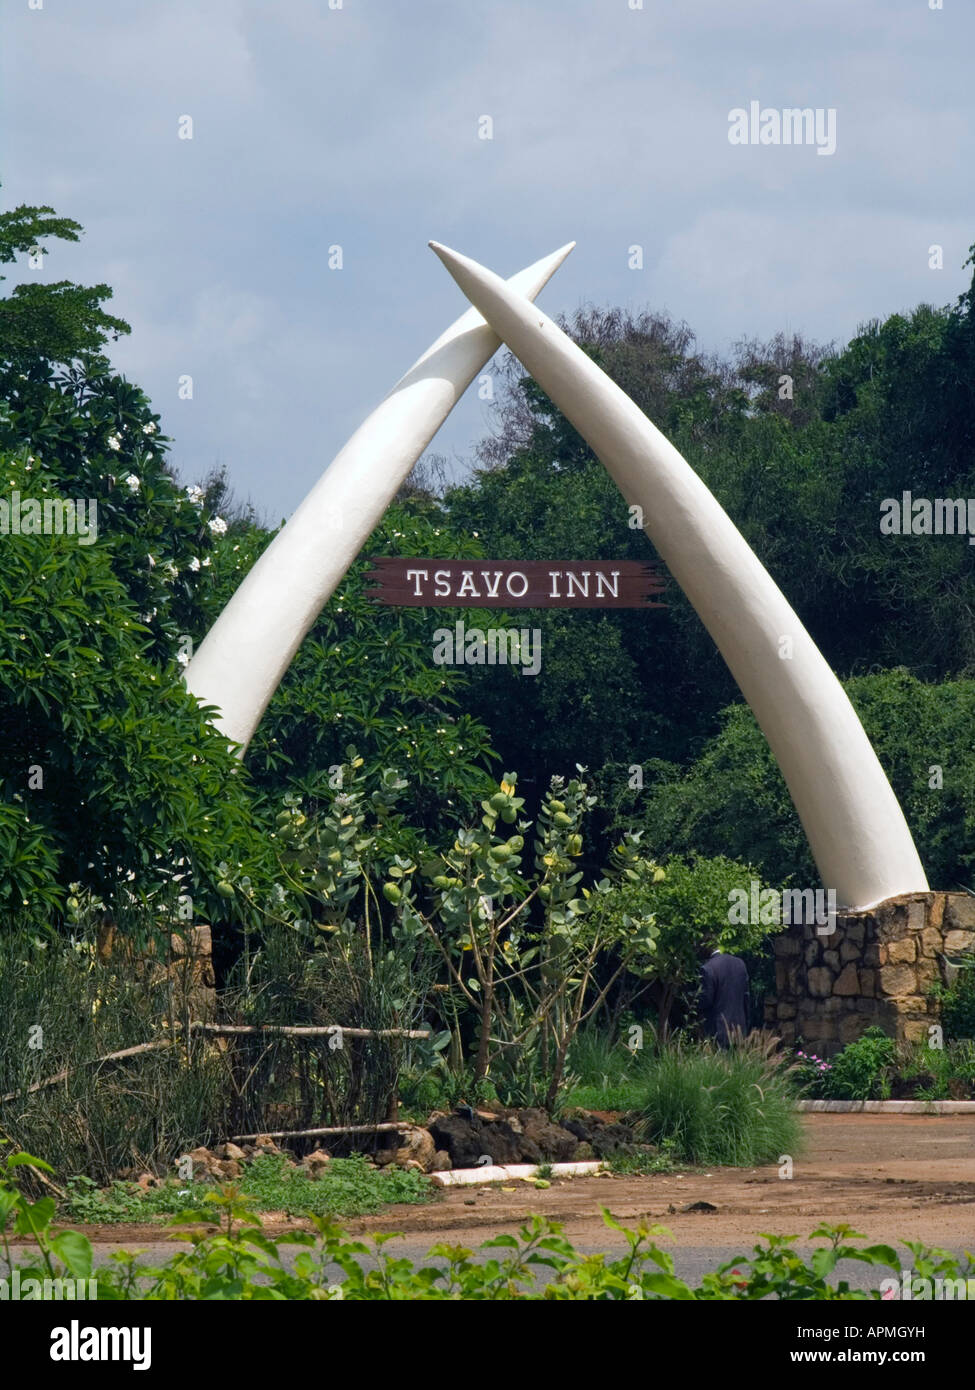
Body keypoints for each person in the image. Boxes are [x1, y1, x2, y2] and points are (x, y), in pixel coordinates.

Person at [698, 942, 748, 1047]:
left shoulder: (708, 968)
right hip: (740, 1027)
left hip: (718, 1029)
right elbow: (746, 997)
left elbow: (706, 1001)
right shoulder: (740, 963)